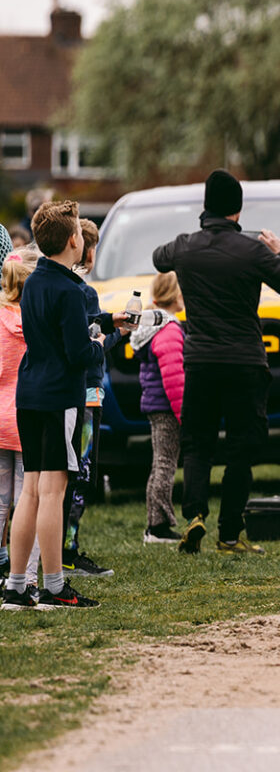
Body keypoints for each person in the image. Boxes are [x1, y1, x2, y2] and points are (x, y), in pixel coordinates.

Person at [153, 170, 280, 555]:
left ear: (206, 205)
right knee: (242, 447)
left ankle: (194, 515)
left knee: (198, 443)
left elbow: (159, 258)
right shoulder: (253, 250)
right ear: (238, 209)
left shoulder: (185, 247)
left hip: (201, 362)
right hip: (245, 364)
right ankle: (228, 534)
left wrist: (189, 242)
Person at [4, 201, 117, 609]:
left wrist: (106, 321)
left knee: (31, 491)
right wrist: (101, 343)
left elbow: (54, 330)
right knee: (54, 492)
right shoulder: (71, 290)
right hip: (59, 399)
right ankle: (53, 586)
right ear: (75, 240)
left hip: (30, 394)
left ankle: (16, 585)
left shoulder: (35, 282)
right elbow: (77, 352)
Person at [61, 219, 116, 579]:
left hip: (64, 393)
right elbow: (91, 345)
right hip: (88, 393)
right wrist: (115, 334)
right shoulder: (85, 292)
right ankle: (69, 549)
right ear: (89, 251)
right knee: (81, 472)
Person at [134, 272, 185, 545]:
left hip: (155, 405)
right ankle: (159, 526)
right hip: (167, 407)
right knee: (166, 464)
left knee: (159, 463)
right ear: (176, 296)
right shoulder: (170, 330)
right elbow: (174, 377)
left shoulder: (153, 327)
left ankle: (155, 523)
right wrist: (183, 413)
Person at [0, 247, 38, 584]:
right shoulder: (38, 320)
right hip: (29, 420)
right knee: (32, 501)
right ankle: (25, 576)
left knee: (0, 504)